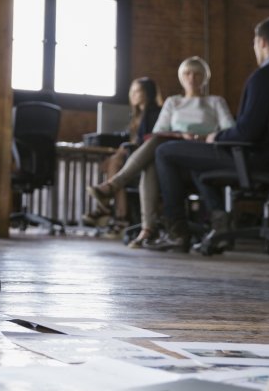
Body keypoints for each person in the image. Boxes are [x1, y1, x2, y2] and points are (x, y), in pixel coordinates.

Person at [151, 17, 269, 252]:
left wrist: (215, 138)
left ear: (262, 42)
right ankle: (220, 225)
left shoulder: (262, 77)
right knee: (198, 160)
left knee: (165, 151)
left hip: (256, 158)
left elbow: (247, 132)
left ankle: (177, 232)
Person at [87, 57, 234, 248]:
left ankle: (117, 191)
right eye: (187, 73)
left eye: (197, 74)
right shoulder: (173, 102)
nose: (192, 78)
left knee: (155, 154)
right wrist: (181, 135)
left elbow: (229, 129)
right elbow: (158, 131)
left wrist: (203, 136)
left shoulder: (215, 102)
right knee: (155, 152)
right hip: (172, 157)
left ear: (205, 77)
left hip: (200, 155)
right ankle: (147, 228)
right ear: (181, 77)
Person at [81, 77, 161, 232]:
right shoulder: (136, 116)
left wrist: (122, 151)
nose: (133, 94)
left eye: (138, 91)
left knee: (114, 163)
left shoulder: (154, 113)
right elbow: (128, 138)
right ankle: (115, 214)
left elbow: (146, 141)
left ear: (148, 93)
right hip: (132, 160)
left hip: (147, 163)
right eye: (132, 91)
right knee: (113, 162)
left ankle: (109, 211)